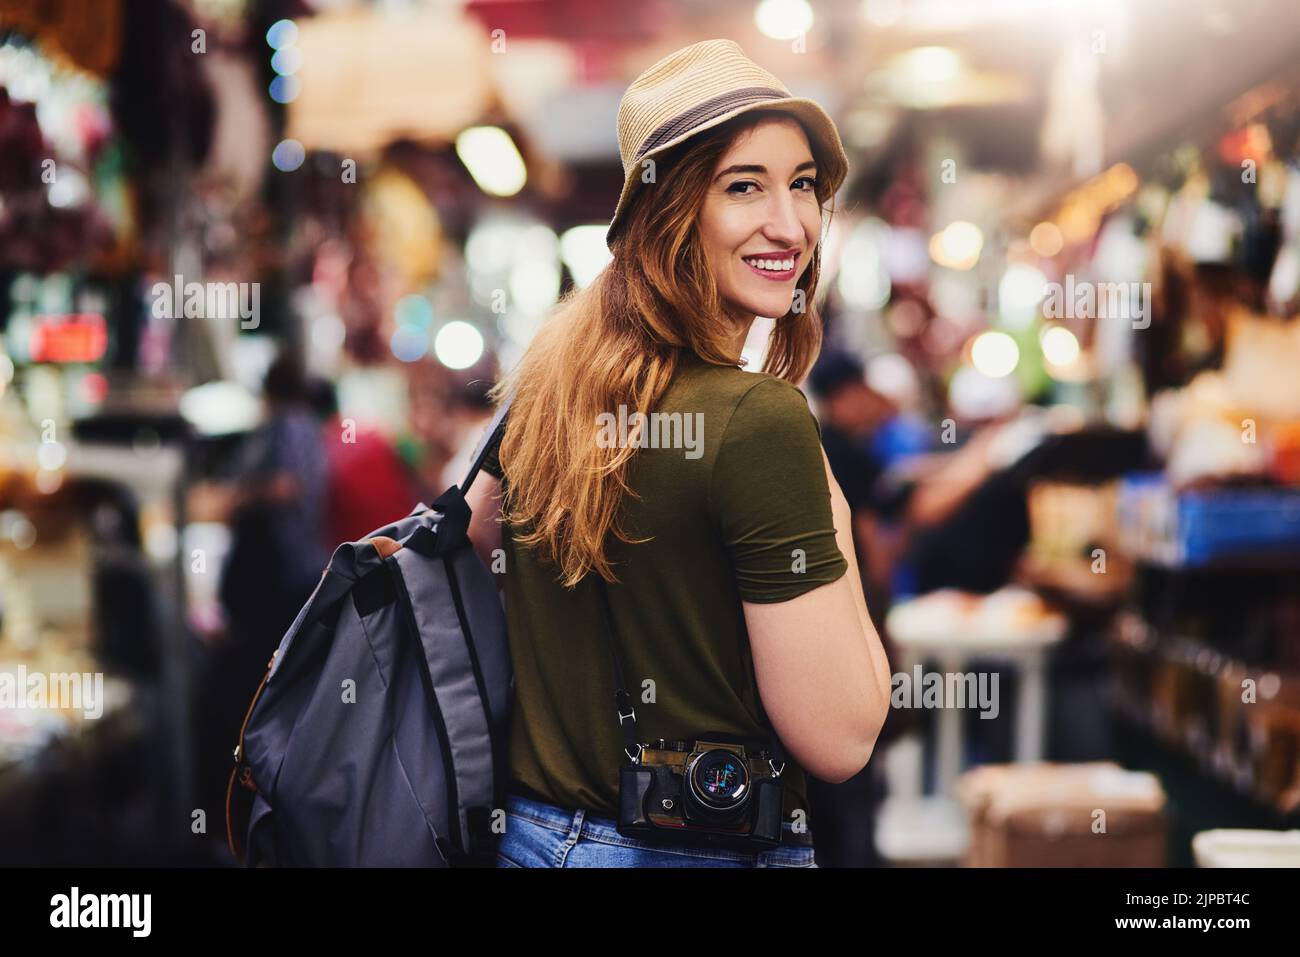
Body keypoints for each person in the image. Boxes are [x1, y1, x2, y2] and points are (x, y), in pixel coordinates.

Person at [466, 39, 892, 868]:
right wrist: (833, 513)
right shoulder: (758, 422)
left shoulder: (545, 396)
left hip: (528, 841)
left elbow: (477, 551)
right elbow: (842, 734)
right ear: (671, 214)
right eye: (744, 187)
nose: (790, 223)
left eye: (802, 184)